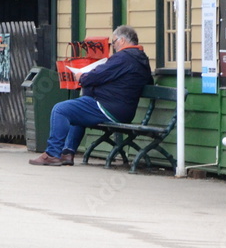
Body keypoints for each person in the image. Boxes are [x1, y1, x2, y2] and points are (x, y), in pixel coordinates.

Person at [29, 25, 152, 166]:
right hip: (124, 110)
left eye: (114, 42)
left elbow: (96, 76)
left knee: (60, 109)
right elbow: (147, 81)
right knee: (77, 111)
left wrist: (81, 76)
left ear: (122, 40)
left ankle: (52, 153)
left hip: (109, 107)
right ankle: (67, 153)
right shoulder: (142, 60)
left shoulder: (123, 58)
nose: (113, 46)